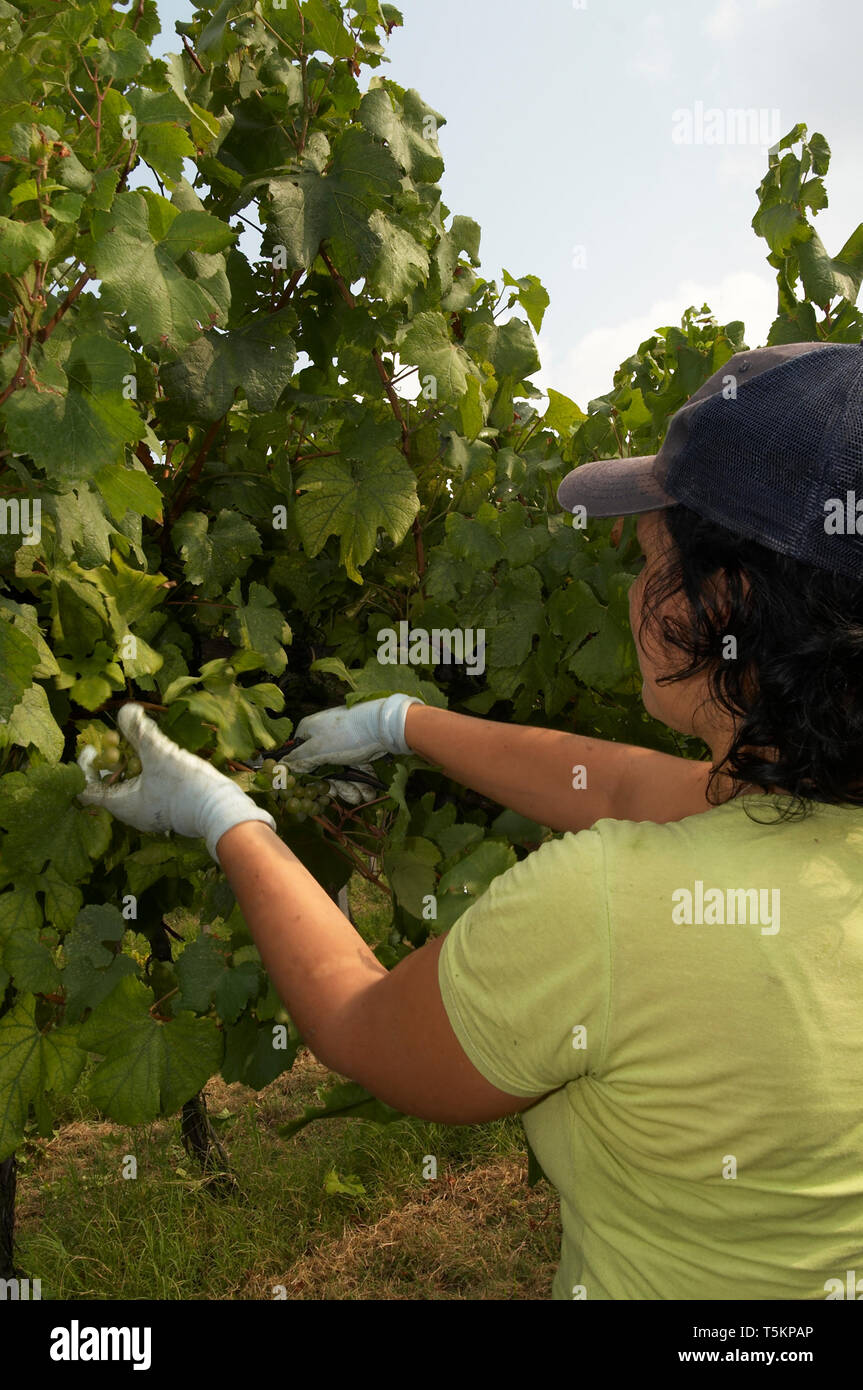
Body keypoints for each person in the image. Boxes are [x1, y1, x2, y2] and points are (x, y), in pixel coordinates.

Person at [77, 341, 863, 1301]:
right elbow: (619, 784)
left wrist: (222, 815)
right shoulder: (805, 825)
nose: (629, 585)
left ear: (720, 604)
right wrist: (400, 724)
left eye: (651, 553)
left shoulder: (612, 908)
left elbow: (367, 1025)